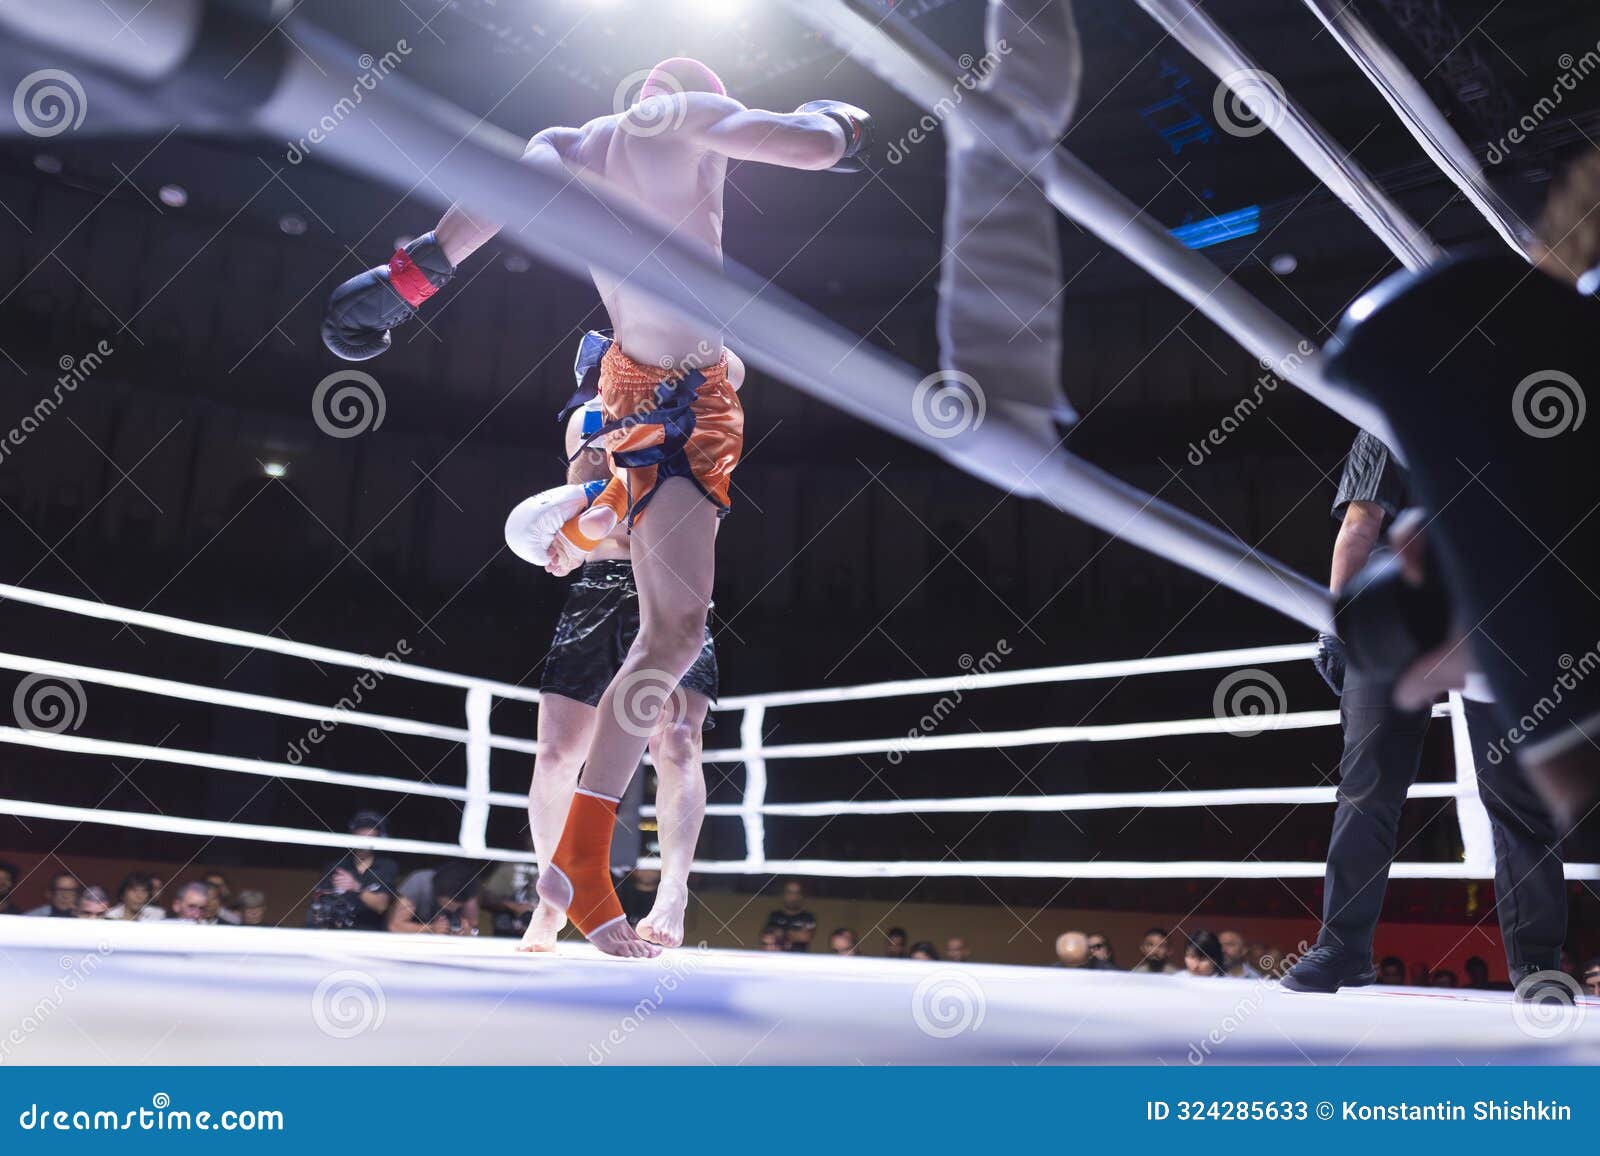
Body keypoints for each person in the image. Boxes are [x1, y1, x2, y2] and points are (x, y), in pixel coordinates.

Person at [325, 57, 871, 958]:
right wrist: (839, 122)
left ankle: (582, 857)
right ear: (692, 96)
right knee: (677, 631)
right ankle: (583, 858)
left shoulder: (565, 146)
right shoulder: (697, 116)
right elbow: (812, 147)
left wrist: (398, 287)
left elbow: (464, 229)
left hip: (625, 387)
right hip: (691, 393)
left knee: (672, 632)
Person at [1284, 431, 1569, 994]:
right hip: (1395, 603)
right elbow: (1360, 524)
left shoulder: (1511, 406)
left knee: (1515, 790)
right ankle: (1342, 949)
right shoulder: (1384, 410)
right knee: (1368, 784)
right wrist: (1339, 630)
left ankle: (1536, 964)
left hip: (1496, 602)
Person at [501, 348, 744, 950]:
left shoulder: (701, 391)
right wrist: (570, 533)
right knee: (558, 752)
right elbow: (589, 508)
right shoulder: (587, 418)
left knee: (681, 740)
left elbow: (730, 374)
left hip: (666, 580)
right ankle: (552, 897)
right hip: (600, 586)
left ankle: (672, 894)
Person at [307, 810, 399, 932]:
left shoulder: (387, 867)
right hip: (338, 934)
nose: (364, 835)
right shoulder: (336, 866)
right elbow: (318, 906)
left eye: (370, 830)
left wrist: (356, 887)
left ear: (379, 835)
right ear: (353, 834)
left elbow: (381, 905)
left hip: (371, 935)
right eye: (360, 830)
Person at [388, 861, 482, 935]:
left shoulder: (469, 893)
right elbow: (395, 926)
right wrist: (431, 928)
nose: (449, 909)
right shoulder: (419, 883)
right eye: (445, 904)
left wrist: (469, 933)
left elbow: (475, 930)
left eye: (455, 906)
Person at [762, 880, 817, 953]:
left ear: (801, 895)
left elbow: (805, 937)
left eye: (797, 893)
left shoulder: (808, 917)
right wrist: (794, 934)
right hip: (777, 958)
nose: (793, 896)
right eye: (790, 892)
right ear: (784, 894)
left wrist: (781, 933)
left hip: (799, 959)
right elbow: (768, 937)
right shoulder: (775, 915)